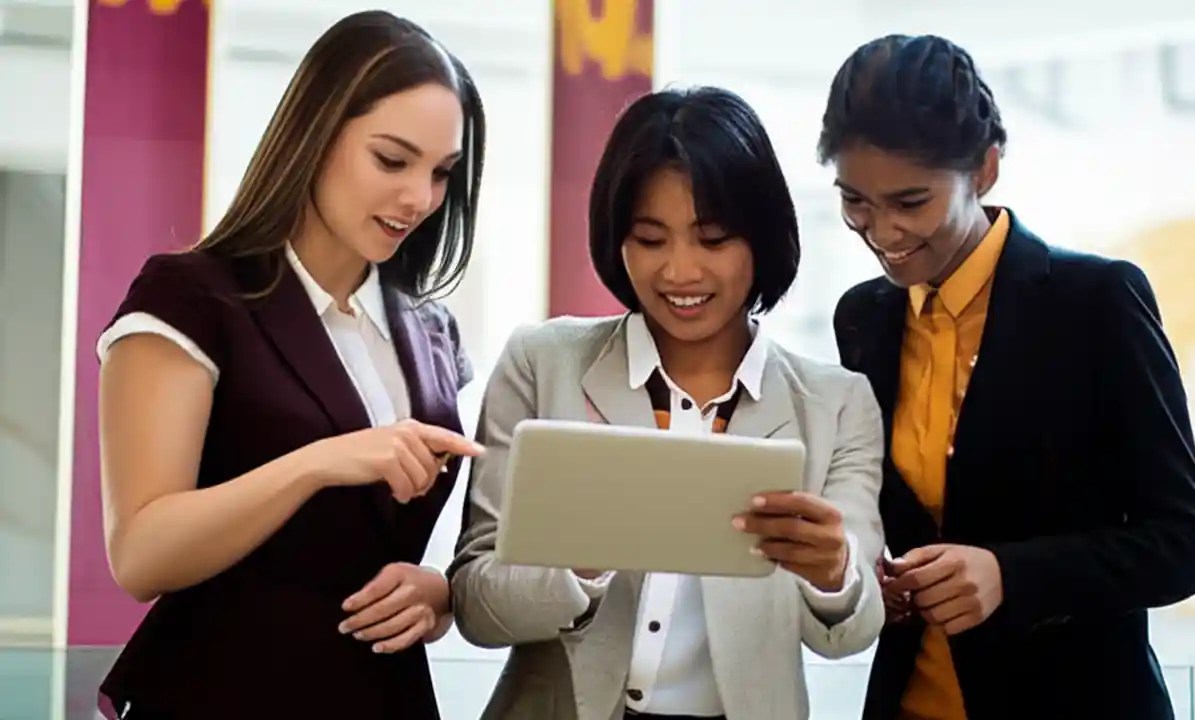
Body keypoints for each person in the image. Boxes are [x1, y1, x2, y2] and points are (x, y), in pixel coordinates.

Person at [448, 86, 886, 720]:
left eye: (712, 239)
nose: (680, 272)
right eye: (650, 240)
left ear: (762, 238)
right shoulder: (542, 365)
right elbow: (476, 607)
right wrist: (578, 567)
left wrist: (834, 572)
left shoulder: (836, 404)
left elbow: (849, 631)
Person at [94, 11, 486, 719]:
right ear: (315, 134)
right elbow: (140, 555)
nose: (420, 199)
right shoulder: (192, 297)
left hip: (380, 697)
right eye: (392, 161)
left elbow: (381, 543)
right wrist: (320, 461)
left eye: (441, 173)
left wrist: (440, 595)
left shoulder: (429, 331)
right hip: (222, 691)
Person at [820, 34, 1195, 720]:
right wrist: (877, 583)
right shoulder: (864, 318)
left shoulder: (1095, 302)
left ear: (984, 168)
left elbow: (1185, 544)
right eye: (855, 201)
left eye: (911, 201)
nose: (882, 231)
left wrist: (1011, 575)